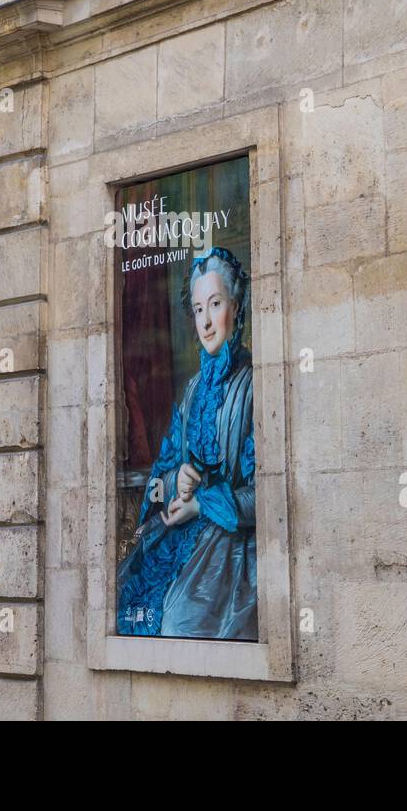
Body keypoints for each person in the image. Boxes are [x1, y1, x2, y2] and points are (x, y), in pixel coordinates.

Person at [116, 246, 257, 639]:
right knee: (126, 599)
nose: (206, 322)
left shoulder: (254, 386)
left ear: (236, 307)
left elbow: (268, 493)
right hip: (183, 530)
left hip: (233, 547)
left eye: (215, 304)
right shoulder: (193, 391)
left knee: (180, 620)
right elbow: (160, 475)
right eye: (198, 309)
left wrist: (202, 504)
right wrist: (176, 478)